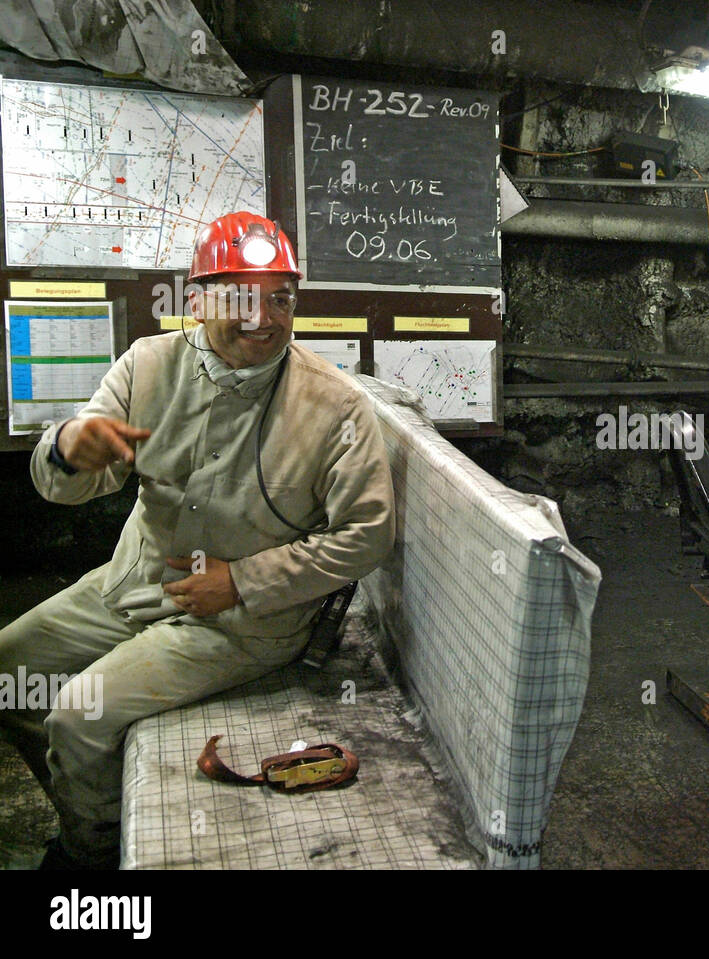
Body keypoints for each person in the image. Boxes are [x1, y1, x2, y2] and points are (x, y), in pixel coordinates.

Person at [0, 211, 395, 868]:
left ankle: (86, 854)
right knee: (9, 672)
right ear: (197, 300)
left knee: (78, 714)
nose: (263, 318)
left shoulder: (335, 406)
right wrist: (68, 450)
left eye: (280, 298)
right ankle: (92, 800)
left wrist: (241, 581)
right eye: (239, 297)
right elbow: (68, 486)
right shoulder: (147, 365)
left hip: (239, 622)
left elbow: (366, 536)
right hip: (132, 585)